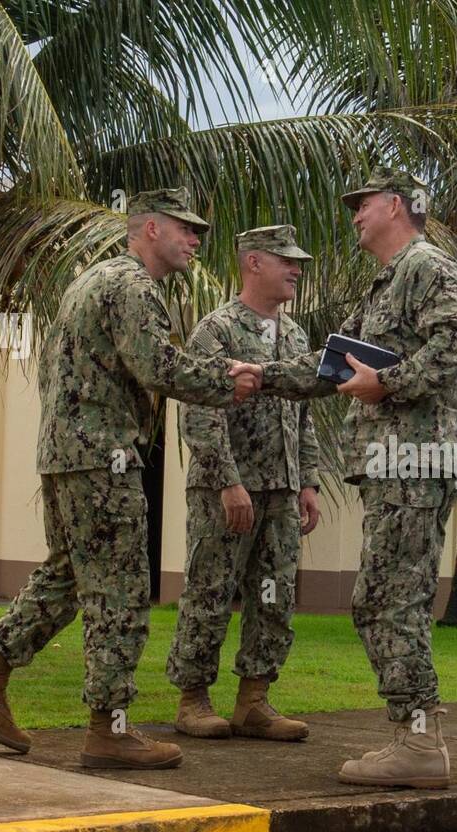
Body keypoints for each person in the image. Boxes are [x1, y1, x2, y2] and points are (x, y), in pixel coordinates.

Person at [0, 187, 262, 770]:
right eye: (185, 229)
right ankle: (108, 729)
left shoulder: (90, 281)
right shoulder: (135, 287)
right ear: (149, 230)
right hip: (103, 461)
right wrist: (228, 377)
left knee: (67, 575)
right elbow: (156, 366)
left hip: (66, 457)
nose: (196, 241)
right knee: (119, 593)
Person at [236, 168, 457, 789]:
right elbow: (331, 369)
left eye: (362, 204)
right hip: (394, 466)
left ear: (395, 206)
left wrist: (390, 382)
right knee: (386, 597)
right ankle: (415, 735)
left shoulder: (426, 268)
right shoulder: (388, 284)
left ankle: (420, 743)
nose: (353, 215)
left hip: (416, 462)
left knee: (386, 598)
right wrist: (259, 375)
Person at [167, 225, 321, 742]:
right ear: (253, 263)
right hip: (226, 489)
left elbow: (303, 416)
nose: (296, 269)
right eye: (286, 261)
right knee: (210, 590)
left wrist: (308, 482)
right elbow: (201, 414)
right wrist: (227, 482)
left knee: (274, 597)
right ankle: (193, 700)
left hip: (281, 488)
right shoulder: (217, 330)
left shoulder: (296, 336)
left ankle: (254, 700)